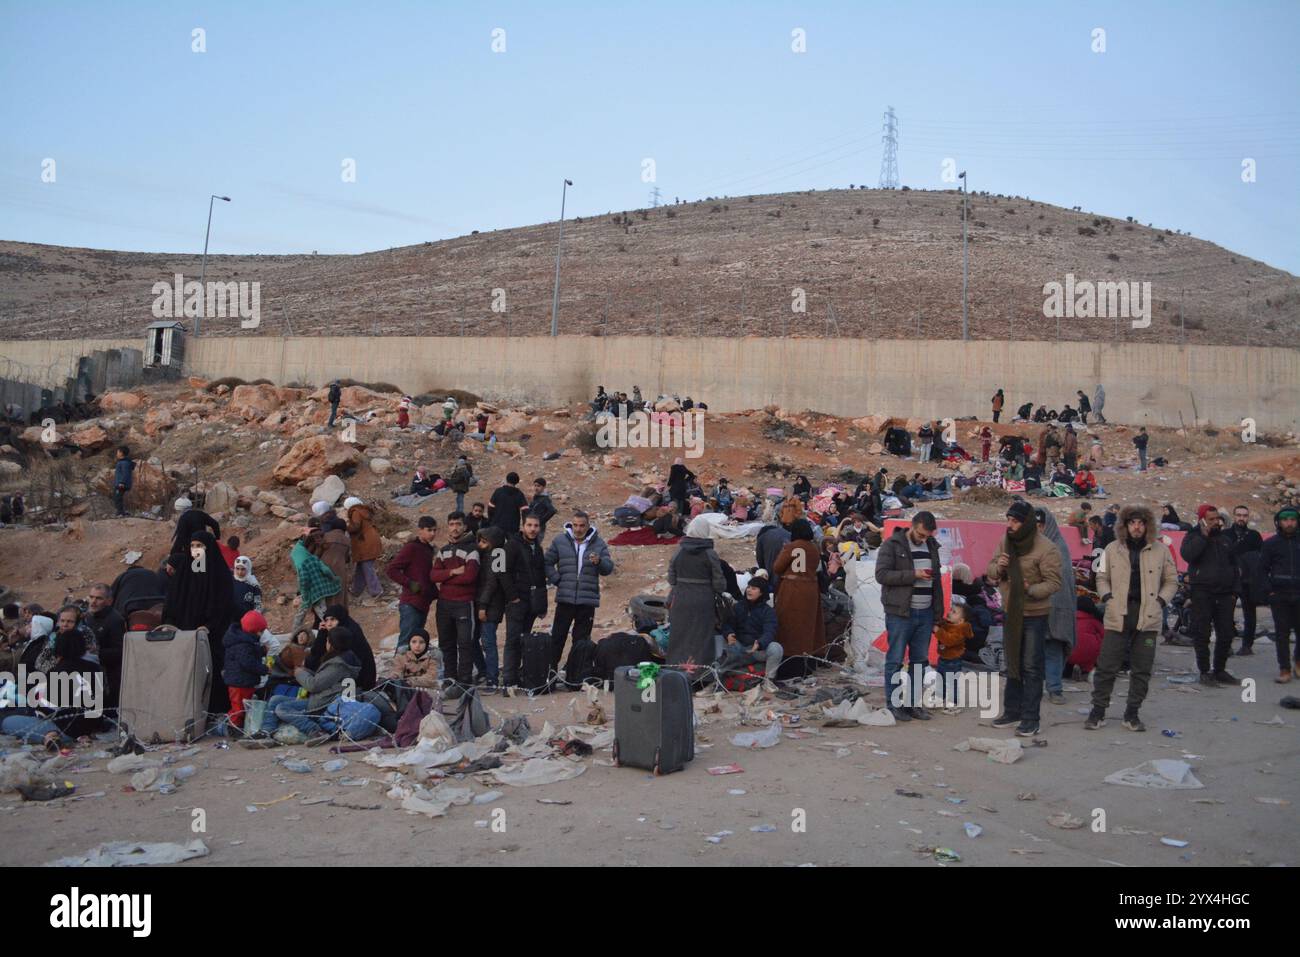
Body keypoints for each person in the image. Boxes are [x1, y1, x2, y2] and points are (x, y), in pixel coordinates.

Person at [1088, 505, 1178, 731]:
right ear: (1125, 526)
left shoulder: (1160, 550)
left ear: (1147, 525)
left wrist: (1160, 602)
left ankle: (1132, 713)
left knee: (1142, 667)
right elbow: (1101, 577)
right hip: (1118, 611)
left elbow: (1171, 581)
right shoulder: (1112, 548)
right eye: (1132, 523)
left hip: (1148, 614)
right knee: (1107, 665)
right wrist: (1107, 597)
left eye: (1140, 523)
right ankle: (1098, 711)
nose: (1136, 527)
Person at [987, 501, 1063, 737]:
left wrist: (1030, 589)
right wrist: (998, 567)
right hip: (1012, 612)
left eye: (1015, 521)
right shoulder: (1006, 542)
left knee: (1031, 666)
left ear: (1027, 523)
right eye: (1008, 520)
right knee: (1013, 663)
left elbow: (1054, 583)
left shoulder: (1046, 548)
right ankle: (1012, 711)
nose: (1010, 525)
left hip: (1034, 614)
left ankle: (1031, 718)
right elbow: (991, 571)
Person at [876, 511, 943, 720]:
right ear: (912, 525)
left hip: (925, 613)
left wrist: (937, 616)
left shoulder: (932, 546)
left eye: (927, 536)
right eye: (921, 534)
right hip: (900, 613)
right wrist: (913, 575)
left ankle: (912, 704)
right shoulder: (892, 545)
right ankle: (894, 704)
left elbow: (938, 583)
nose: (923, 539)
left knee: (919, 661)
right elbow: (882, 575)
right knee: (895, 659)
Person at [163, 529, 236, 714]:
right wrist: (170, 623)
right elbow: (172, 602)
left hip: (210, 635)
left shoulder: (220, 575)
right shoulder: (185, 573)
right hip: (184, 636)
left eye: (200, 546)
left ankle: (213, 712)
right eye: (192, 546)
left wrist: (209, 625)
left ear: (209, 548)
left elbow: (224, 606)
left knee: (210, 673)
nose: (195, 550)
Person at [0, 630, 103, 746]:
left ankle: (49, 736)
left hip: (65, 730)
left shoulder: (57, 671)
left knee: (7, 721)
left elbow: (45, 711)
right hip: (89, 726)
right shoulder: (95, 668)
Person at [259, 628, 361, 742]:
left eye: (327, 640)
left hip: (324, 703)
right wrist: (306, 671)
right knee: (275, 699)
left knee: (282, 709)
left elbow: (313, 685)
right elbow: (323, 678)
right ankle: (266, 733)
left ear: (332, 643)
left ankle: (315, 731)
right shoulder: (340, 660)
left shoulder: (338, 665)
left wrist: (299, 672)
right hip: (322, 697)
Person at [545, 510, 614, 673]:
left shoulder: (598, 544)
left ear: (588, 526)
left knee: (581, 641)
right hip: (565, 598)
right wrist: (557, 580)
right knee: (557, 637)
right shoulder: (560, 541)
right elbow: (546, 563)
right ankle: (550, 673)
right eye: (575, 525)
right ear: (571, 524)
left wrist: (599, 562)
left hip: (587, 600)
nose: (578, 529)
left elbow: (608, 568)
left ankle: (574, 675)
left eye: (582, 526)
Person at [1180, 505, 1240, 687]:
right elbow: (1188, 555)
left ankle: (1219, 670)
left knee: (1226, 633)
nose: (1215, 522)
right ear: (1202, 520)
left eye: (1217, 518)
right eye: (1211, 519)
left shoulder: (1225, 539)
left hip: (1224, 594)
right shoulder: (1193, 536)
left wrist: (1235, 592)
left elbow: (1234, 566)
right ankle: (1205, 671)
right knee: (1202, 633)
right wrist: (1203, 536)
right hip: (1202, 592)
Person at [430, 510, 481, 699]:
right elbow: (433, 576)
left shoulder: (472, 550)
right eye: (451, 524)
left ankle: (465, 682)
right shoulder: (443, 551)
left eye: (458, 524)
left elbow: (469, 577)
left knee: (465, 644)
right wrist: (452, 572)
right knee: (446, 644)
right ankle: (450, 680)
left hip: (463, 603)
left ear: (465, 526)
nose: (455, 528)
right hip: (444, 605)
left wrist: (445, 577)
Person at [666, 515, 727, 669]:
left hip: (681, 598)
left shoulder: (679, 551)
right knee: (702, 636)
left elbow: (671, 578)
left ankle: (676, 671)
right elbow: (719, 582)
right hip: (703, 600)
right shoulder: (710, 553)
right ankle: (700, 673)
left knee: (679, 635)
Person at [772, 519, 825, 682]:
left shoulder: (791, 547)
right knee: (807, 628)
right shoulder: (814, 548)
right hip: (810, 589)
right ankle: (806, 665)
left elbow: (777, 567)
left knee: (788, 626)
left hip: (792, 588)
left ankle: (788, 666)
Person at [1036, 508, 1077, 707]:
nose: (1038, 529)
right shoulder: (1029, 545)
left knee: (1053, 647)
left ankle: (1054, 688)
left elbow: (1064, 581)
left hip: (1056, 607)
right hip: (1035, 606)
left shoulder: (1058, 547)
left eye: (1041, 525)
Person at [503, 513, 547, 689]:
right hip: (516, 602)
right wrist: (512, 596)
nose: (533, 529)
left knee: (524, 641)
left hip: (532, 603)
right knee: (512, 641)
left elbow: (540, 576)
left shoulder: (538, 548)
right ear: (523, 526)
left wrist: (542, 605)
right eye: (529, 525)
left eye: (536, 526)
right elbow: (502, 572)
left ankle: (518, 677)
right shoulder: (511, 545)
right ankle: (508, 681)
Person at [387, 515, 438, 652]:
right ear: (420, 530)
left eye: (434, 530)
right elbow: (392, 570)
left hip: (423, 602)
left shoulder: (428, 549)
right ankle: (397, 672)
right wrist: (411, 585)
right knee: (405, 642)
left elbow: (426, 575)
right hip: (411, 603)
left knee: (416, 644)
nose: (432, 534)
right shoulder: (411, 548)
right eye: (429, 530)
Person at [1261, 506, 1300, 683]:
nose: (1289, 523)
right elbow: (1262, 570)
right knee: (1282, 634)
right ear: (1279, 522)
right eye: (1285, 520)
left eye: (1292, 519)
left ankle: (1298, 663)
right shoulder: (1271, 544)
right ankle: (1284, 669)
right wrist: (1270, 591)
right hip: (1280, 595)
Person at [718, 577, 782, 681]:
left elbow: (770, 631)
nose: (749, 590)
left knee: (776, 648)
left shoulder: (768, 612)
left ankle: (769, 681)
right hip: (739, 648)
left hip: (757, 650)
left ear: (761, 593)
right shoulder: (738, 607)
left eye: (754, 588)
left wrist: (760, 643)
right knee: (727, 644)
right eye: (749, 587)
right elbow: (727, 624)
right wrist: (728, 634)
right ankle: (719, 679)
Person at [475, 525, 515, 690]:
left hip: (491, 605)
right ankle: (486, 673)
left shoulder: (496, 555)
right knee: (478, 640)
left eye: (485, 542)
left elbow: (492, 584)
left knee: (488, 642)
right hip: (489, 603)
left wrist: (483, 606)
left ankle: (491, 679)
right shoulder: (489, 555)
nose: (481, 545)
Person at [306, 604, 377, 692]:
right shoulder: (336, 631)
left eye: (333, 619)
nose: (329, 624)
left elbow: (340, 659)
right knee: (311, 661)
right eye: (326, 620)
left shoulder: (349, 633)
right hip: (344, 674)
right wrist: (321, 633)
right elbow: (316, 652)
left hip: (359, 680)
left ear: (341, 618)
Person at [1224, 505, 1264, 655]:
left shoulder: (1254, 536)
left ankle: (1247, 645)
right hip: (1230, 580)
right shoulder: (1226, 534)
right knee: (1226, 614)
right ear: (1234, 516)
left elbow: (1261, 559)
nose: (1241, 518)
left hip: (1248, 581)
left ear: (1248, 517)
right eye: (1239, 515)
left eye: (1244, 515)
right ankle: (1226, 645)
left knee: (1250, 614)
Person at [222, 611, 271, 731]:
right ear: (254, 630)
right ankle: (230, 728)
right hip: (239, 682)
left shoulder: (246, 640)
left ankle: (238, 727)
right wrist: (264, 669)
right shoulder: (242, 644)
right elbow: (248, 662)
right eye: (261, 631)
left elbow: (250, 653)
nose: (262, 634)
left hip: (245, 681)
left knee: (244, 707)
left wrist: (261, 651)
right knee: (238, 708)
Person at [289, 537, 342, 635]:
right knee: (323, 612)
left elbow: (304, 582)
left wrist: (304, 596)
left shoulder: (300, 564)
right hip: (320, 590)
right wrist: (334, 578)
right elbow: (326, 570)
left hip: (310, 594)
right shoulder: (313, 558)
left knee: (303, 614)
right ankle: (334, 632)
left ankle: (294, 634)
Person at [85, 583, 125, 712]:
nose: (93, 602)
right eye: (91, 597)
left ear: (109, 601)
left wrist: (97, 652)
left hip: (108, 679)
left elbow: (120, 652)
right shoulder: (88, 617)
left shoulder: (115, 620)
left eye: (99, 598)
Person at [386, 628, 441, 711]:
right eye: (414, 642)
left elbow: (431, 678)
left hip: (427, 690)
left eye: (421, 642)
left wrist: (411, 681)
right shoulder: (401, 657)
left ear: (427, 643)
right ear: (409, 643)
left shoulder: (432, 658)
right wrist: (395, 676)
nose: (417, 645)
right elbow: (397, 670)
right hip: (406, 690)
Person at [344, 497, 384, 602]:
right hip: (370, 540)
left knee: (367, 566)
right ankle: (356, 590)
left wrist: (345, 527)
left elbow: (356, 527)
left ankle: (377, 590)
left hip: (365, 542)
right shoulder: (363, 511)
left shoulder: (355, 512)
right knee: (361, 566)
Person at [934, 602, 972, 706]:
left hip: (953, 661)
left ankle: (953, 702)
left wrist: (938, 631)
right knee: (940, 680)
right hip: (943, 658)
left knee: (951, 682)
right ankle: (939, 698)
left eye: (954, 612)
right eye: (951, 610)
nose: (950, 613)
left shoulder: (961, 630)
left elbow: (949, 640)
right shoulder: (948, 624)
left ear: (961, 621)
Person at [488, 471, 529, 536]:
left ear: (507, 479)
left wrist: (491, 521)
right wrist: (525, 525)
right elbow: (525, 511)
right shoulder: (519, 494)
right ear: (517, 482)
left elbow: (490, 508)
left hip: (497, 525)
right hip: (512, 527)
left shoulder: (498, 491)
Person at [112, 445, 134, 517]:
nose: (116, 453)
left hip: (121, 484)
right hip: (120, 483)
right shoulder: (123, 462)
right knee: (117, 498)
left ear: (121, 453)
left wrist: (122, 482)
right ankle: (121, 512)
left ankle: (120, 513)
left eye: (118, 452)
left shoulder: (124, 463)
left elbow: (125, 473)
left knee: (118, 498)